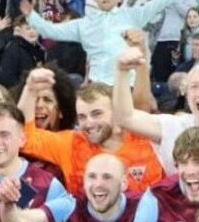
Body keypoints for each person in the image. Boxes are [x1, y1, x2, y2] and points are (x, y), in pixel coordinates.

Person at [19, 0, 199, 85]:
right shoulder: (83, 24)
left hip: (128, 84)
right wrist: (30, 16)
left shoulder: (132, 15)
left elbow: (161, 2)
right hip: (98, 86)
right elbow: (51, 30)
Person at [17, 73, 163, 197]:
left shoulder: (149, 139)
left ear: (117, 112)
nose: (88, 123)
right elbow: (25, 138)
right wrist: (30, 89)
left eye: (97, 114)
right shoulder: (70, 144)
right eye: (82, 117)